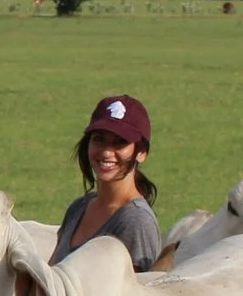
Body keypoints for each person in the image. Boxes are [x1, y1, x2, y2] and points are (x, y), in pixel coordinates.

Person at [52, 94, 162, 271]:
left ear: (141, 153)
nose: (106, 152)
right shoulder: (79, 207)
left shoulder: (136, 221)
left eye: (120, 143)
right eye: (99, 140)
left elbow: (135, 295)